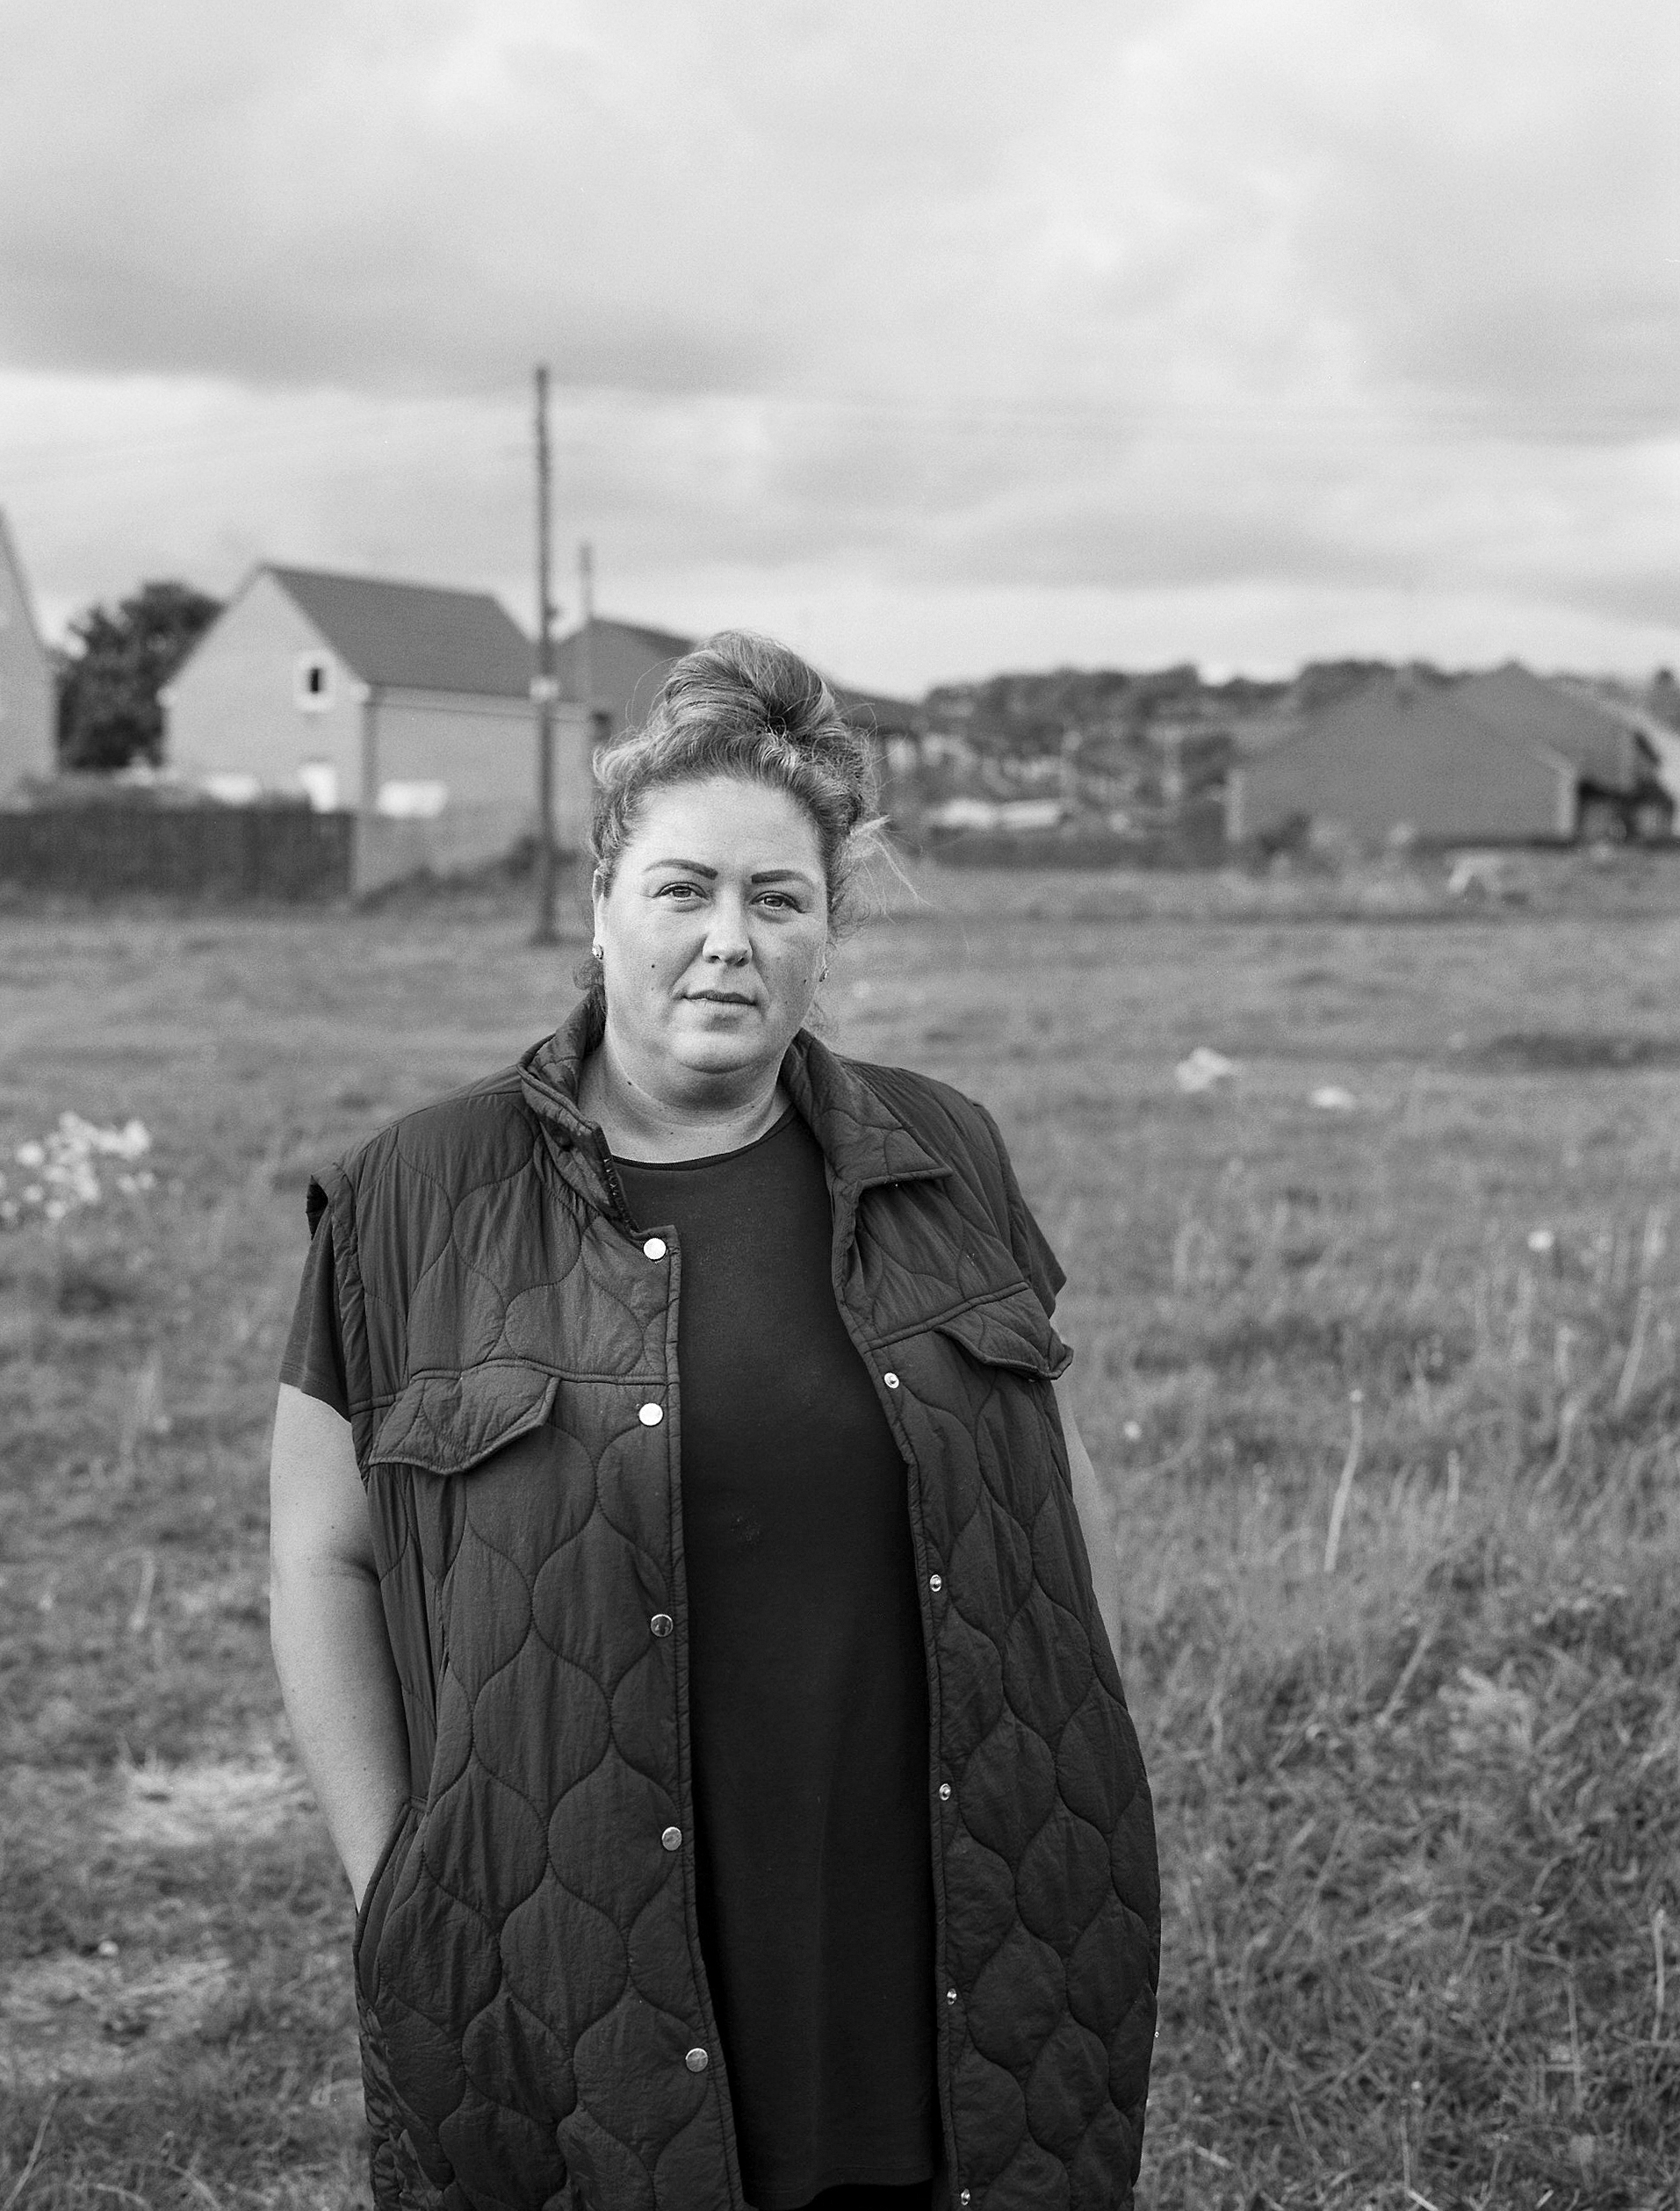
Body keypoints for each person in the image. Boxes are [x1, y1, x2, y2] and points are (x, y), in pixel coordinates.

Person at [270, 633, 1159, 2211]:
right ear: (605, 897)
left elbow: (1051, 1486)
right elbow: (323, 1562)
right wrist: (395, 1881)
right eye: (684, 890)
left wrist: (1084, 1777)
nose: (727, 942)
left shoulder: (948, 1153)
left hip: (936, 1910)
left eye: (779, 898)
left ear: (829, 926)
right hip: (566, 1937)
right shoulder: (417, 1193)